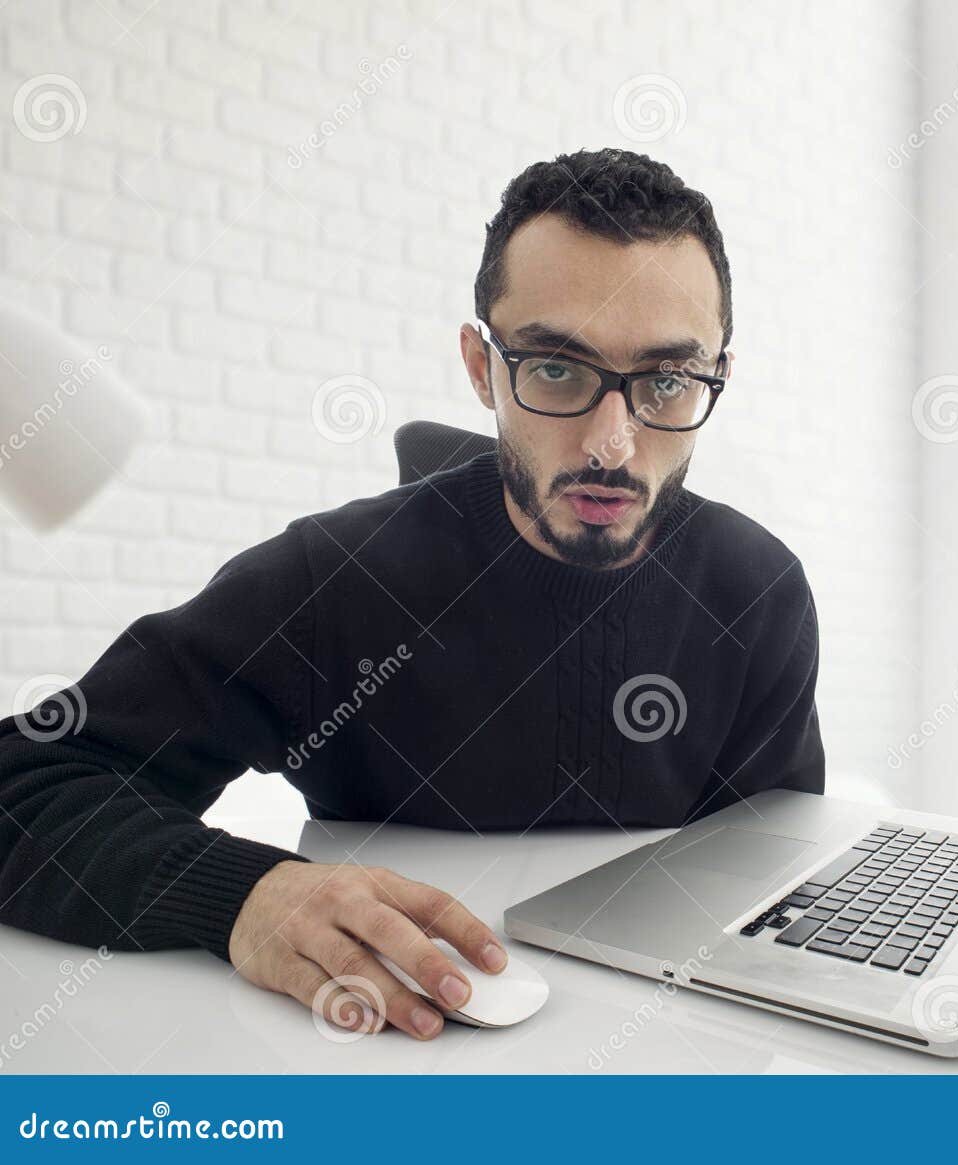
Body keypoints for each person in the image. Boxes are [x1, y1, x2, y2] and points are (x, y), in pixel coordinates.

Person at [0, 148, 825, 1041]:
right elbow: (24, 781)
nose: (611, 443)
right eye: (556, 368)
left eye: (666, 381)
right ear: (481, 366)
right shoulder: (333, 578)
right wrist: (246, 893)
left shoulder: (759, 590)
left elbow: (775, 870)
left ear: (716, 376)